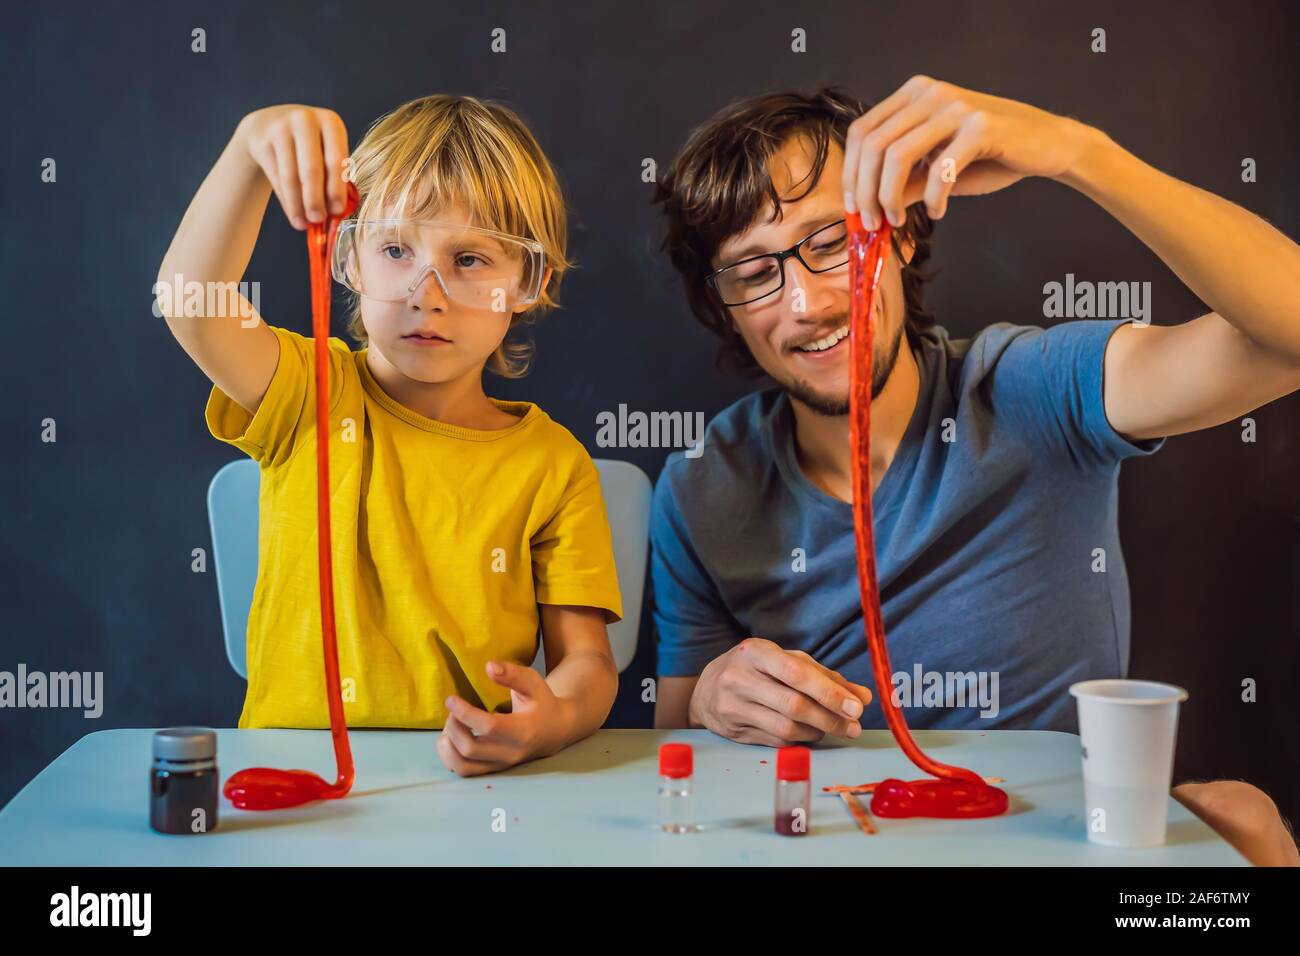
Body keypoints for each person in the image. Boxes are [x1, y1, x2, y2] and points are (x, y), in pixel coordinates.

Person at [649, 79, 1300, 865]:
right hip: (828, 843)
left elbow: (1290, 334)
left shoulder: (1032, 391)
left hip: (1050, 845)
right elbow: (671, 734)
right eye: (754, 273)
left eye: (831, 242)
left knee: (1242, 818)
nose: (807, 304)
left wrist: (1080, 153)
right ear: (723, 307)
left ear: (899, 234)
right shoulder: (701, 485)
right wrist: (710, 696)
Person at [157, 95, 623, 776]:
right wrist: (250, 147)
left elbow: (587, 662)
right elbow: (189, 302)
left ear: (529, 282)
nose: (425, 294)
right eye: (396, 250)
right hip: (294, 778)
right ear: (349, 258)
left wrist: (551, 722)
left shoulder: (553, 464)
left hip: (471, 783)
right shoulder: (309, 394)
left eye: (470, 259)